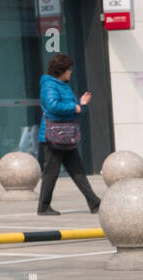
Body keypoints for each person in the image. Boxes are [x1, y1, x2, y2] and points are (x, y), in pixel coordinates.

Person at [37, 53, 101, 216]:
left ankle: (94, 203)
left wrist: (82, 104)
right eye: (69, 69)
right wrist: (75, 107)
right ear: (62, 70)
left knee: (77, 171)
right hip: (52, 136)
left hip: (65, 134)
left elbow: (75, 111)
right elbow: (52, 107)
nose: (71, 72)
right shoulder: (49, 85)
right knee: (51, 172)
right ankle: (43, 207)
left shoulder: (63, 86)